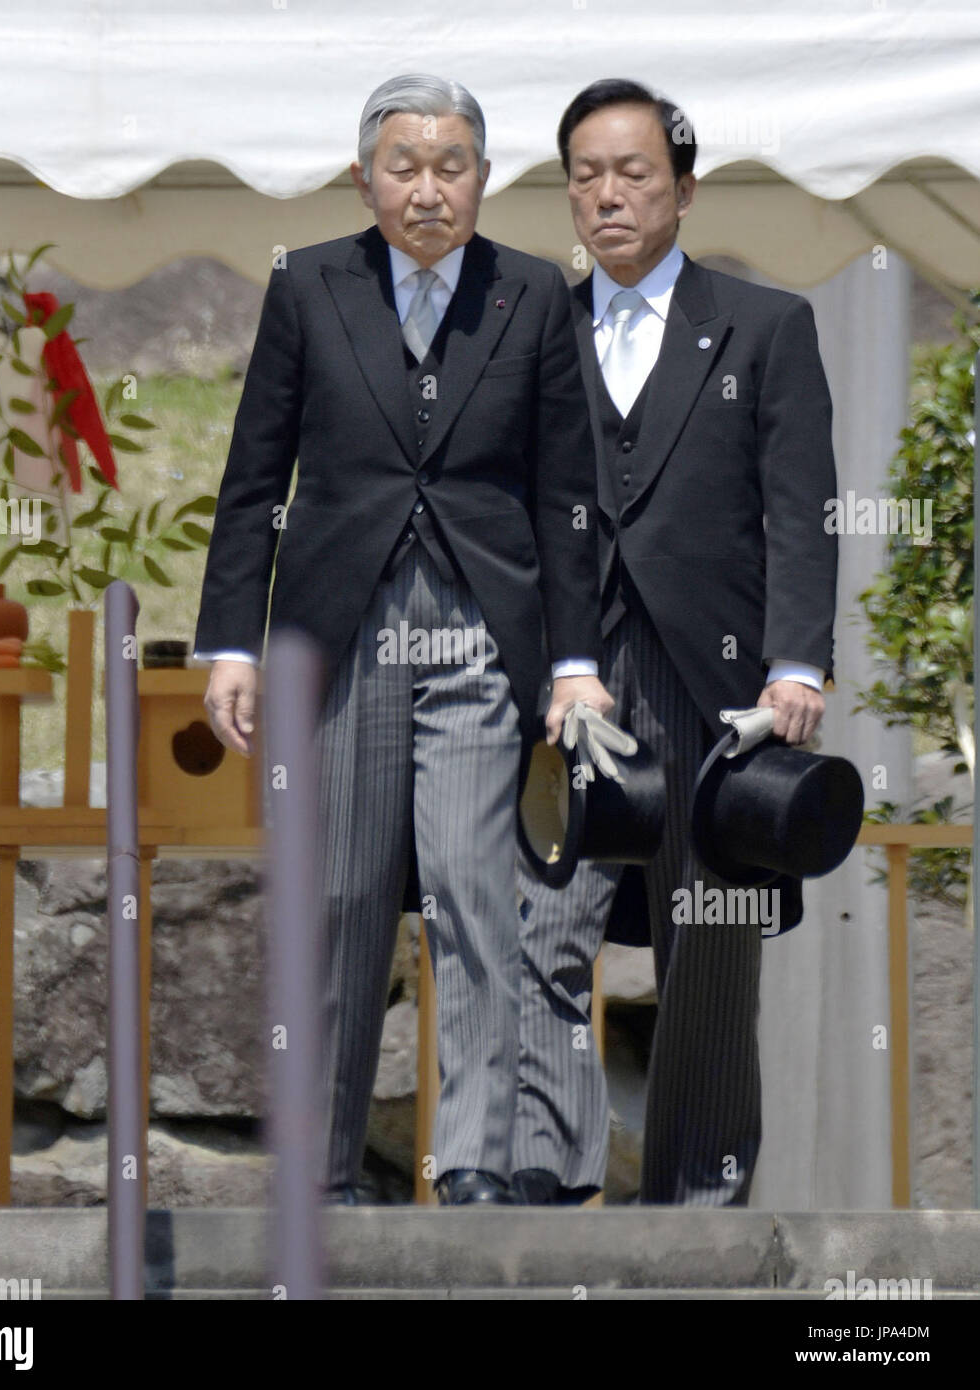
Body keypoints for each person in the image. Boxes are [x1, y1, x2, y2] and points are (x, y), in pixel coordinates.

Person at [194, 74, 612, 1206]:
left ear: (483, 174)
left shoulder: (533, 294)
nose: (429, 189)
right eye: (405, 166)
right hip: (343, 633)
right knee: (339, 898)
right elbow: (252, 479)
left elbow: (571, 495)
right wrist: (229, 640)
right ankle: (321, 1176)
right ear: (363, 174)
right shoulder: (307, 286)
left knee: (477, 897)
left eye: (453, 165)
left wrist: (574, 663)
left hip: (482, 630)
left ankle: (473, 1161)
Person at [511, 79, 838, 1207]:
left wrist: (797, 661)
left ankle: (700, 1218)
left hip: (720, 697)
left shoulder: (768, 326)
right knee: (540, 936)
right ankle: (549, 1195)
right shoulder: (532, 327)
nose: (607, 194)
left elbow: (799, 508)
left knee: (708, 964)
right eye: (586, 174)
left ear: (685, 190)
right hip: (573, 686)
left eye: (633, 171)